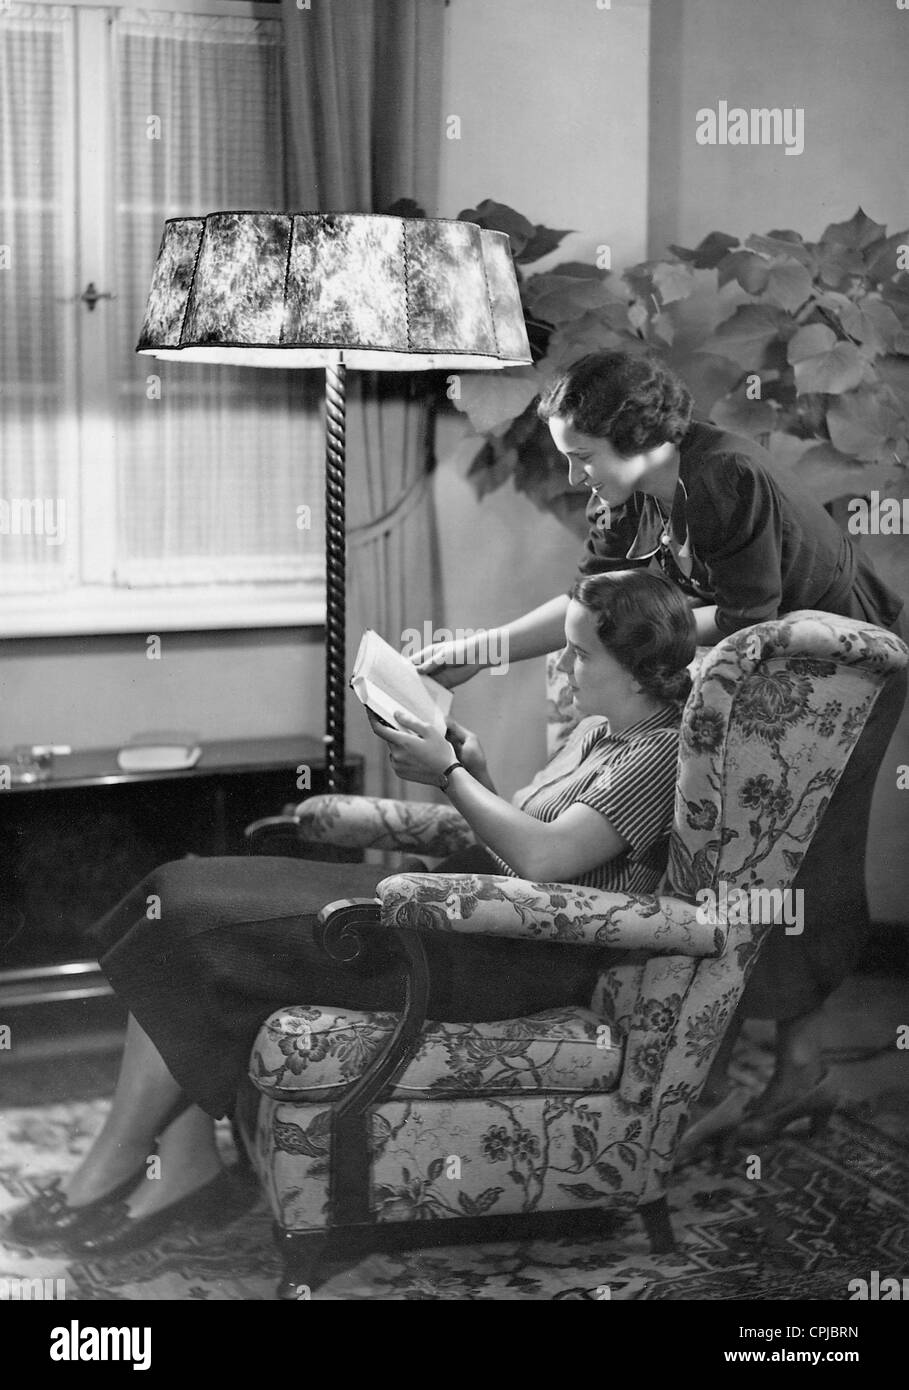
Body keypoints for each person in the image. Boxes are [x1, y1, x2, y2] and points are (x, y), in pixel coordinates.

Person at [9, 568, 696, 1254]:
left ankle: (116, 1166)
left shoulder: (658, 753)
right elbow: (529, 842)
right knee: (178, 889)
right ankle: (181, 1162)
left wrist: (448, 777)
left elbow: (545, 863)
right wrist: (476, 767)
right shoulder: (600, 732)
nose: (563, 664)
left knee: (190, 913)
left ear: (637, 671)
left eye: (580, 654)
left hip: (500, 956)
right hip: (466, 910)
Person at [414, 350, 908, 1147]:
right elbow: (595, 607)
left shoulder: (721, 479)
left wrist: (655, 629)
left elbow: (747, 617)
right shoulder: (630, 495)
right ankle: (750, 1069)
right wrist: (484, 648)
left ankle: (780, 1070)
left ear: (637, 435)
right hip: (745, 666)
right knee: (722, 859)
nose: (575, 476)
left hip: (833, 670)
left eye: (582, 456)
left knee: (791, 861)